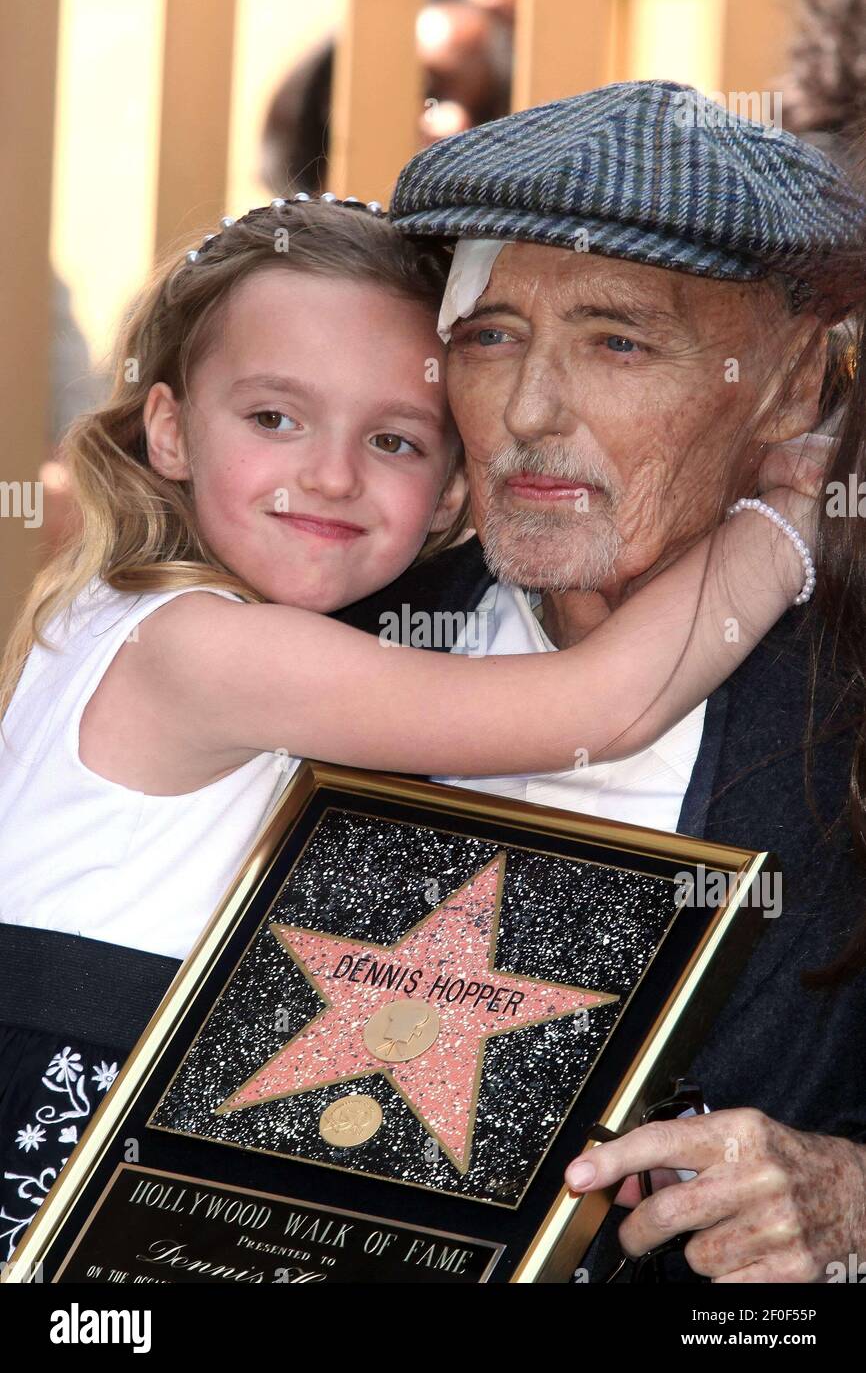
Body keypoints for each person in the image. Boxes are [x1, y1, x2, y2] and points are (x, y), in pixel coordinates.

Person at [0, 194, 819, 1260]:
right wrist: (786, 516)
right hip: (73, 1139)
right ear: (168, 427)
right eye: (273, 418)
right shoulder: (204, 647)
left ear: (447, 494)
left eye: (391, 439)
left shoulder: (146, 611)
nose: (330, 474)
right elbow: (601, 706)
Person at [335, 79, 866, 1282]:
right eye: (490, 337)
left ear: (785, 387)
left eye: (616, 341)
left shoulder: (849, 699)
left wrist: (850, 1203)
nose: (527, 410)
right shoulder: (333, 643)